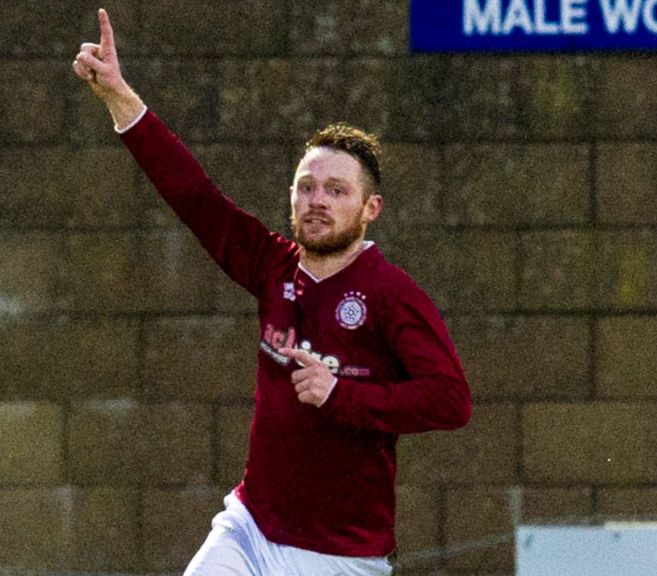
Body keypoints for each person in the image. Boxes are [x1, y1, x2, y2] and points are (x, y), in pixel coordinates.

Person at [73, 9, 472, 576]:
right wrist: (118, 96)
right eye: (307, 187)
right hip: (250, 525)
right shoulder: (272, 264)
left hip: (341, 554)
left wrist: (342, 395)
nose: (318, 200)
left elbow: (451, 401)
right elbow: (194, 197)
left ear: (369, 208)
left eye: (337, 190)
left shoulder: (391, 294)